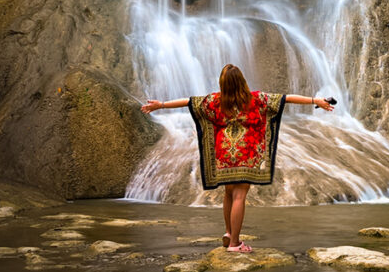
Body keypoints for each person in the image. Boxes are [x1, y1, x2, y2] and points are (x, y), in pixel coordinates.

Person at [141, 64, 334, 253]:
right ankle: (235, 243)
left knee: (228, 194)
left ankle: (228, 232)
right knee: (240, 196)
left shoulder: (215, 101)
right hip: (246, 154)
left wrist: (161, 105)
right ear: (242, 81)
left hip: (224, 153)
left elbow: (189, 102)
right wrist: (315, 100)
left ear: (223, 84)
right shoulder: (256, 99)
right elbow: (286, 99)